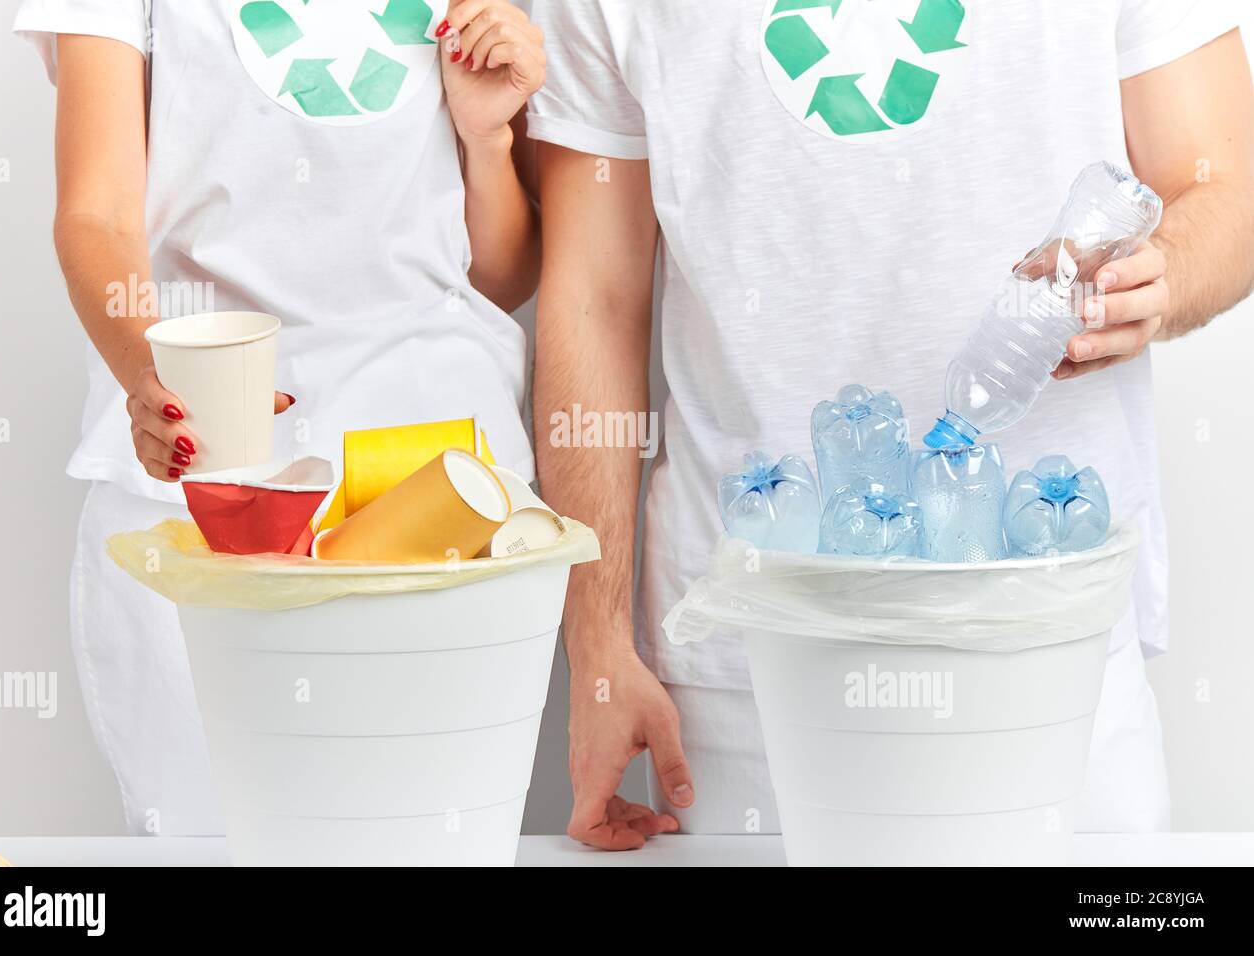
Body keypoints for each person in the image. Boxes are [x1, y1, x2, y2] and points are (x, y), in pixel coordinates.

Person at [529, 0, 1254, 848]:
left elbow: (1228, 187)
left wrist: (1159, 280)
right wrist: (597, 647)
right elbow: (591, 298)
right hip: (755, 661)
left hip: (1052, 635)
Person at [14, 0, 545, 835]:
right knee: (211, 840)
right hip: (213, 478)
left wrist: (487, 140)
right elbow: (97, 213)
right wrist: (148, 374)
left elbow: (503, 278)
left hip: (436, 475)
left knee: (422, 843)